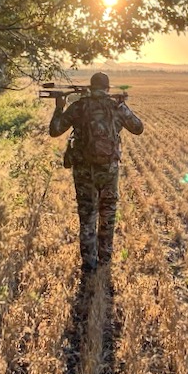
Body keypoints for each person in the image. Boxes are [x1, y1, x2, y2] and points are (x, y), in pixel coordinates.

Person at [49, 72, 145, 270]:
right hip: (109, 171)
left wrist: (59, 108)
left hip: (84, 171)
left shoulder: (79, 106)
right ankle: (105, 260)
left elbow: (55, 130)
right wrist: (122, 105)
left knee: (87, 216)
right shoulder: (115, 107)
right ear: (107, 88)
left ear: (91, 88)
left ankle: (89, 264)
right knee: (108, 214)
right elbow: (138, 128)